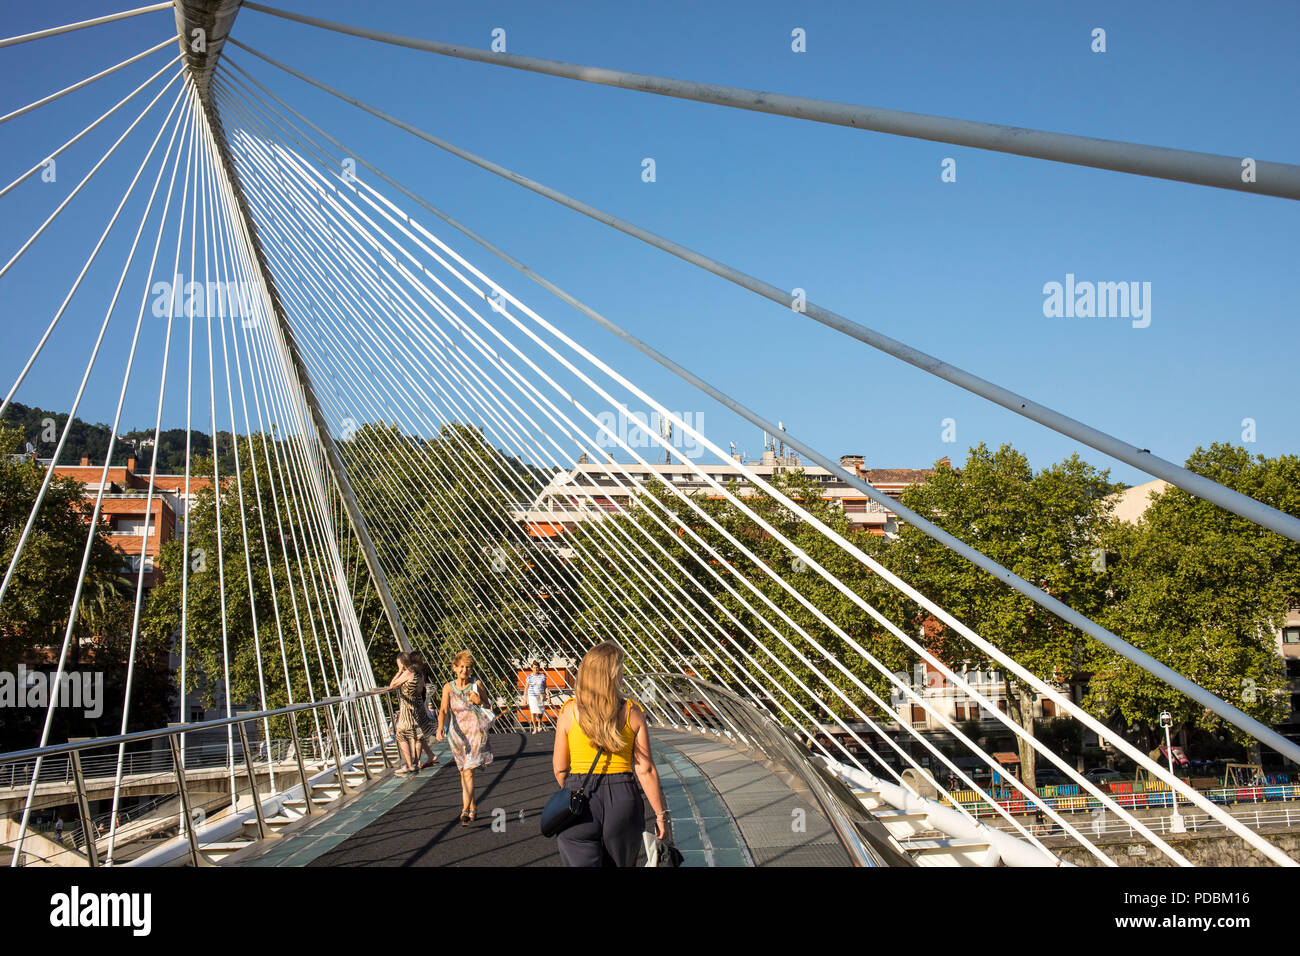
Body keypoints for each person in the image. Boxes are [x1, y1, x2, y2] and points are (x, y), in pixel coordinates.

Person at [552, 641, 671, 866]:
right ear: (613, 675)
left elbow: (559, 768)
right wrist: (660, 815)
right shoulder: (632, 713)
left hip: (580, 795)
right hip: (623, 798)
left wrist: (571, 790)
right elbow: (645, 769)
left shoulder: (569, 710)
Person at [437, 650, 494, 824]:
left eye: (468, 667)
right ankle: (473, 808)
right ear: (454, 668)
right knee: (464, 773)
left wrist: (478, 700)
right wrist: (440, 728)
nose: (464, 670)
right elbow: (444, 710)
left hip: (475, 734)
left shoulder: (476, 684)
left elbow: (488, 705)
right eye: (461, 667)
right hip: (457, 736)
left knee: (468, 773)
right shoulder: (448, 687)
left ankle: (464, 811)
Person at [388, 653, 423, 775]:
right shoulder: (418, 673)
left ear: (402, 663)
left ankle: (409, 764)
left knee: (401, 735)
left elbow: (392, 685)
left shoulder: (407, 674)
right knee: (417, 735)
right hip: (417, 706)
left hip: (407, 709)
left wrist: (399, 672)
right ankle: (416, 762)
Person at [408, 651, 440, 769]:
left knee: (417, 735)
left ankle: (416, 762)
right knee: (419, 735)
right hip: (422, 705)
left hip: (416, 706)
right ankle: (429, 755)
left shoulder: (413, 673)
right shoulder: (421, 672)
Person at [524, 661, 548, 734]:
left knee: (540, 711)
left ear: (539, 668)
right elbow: (526, 688)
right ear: (532, 668)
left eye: (537, 668)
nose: (536, 669)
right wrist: (525, 699)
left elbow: (545, 686)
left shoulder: (542, 676)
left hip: (540, 695)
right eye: (534, 668)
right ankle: (535, 728)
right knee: (533, 712)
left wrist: (548, 695)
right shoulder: (529, 677)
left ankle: (539, 724)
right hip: (532, 696)